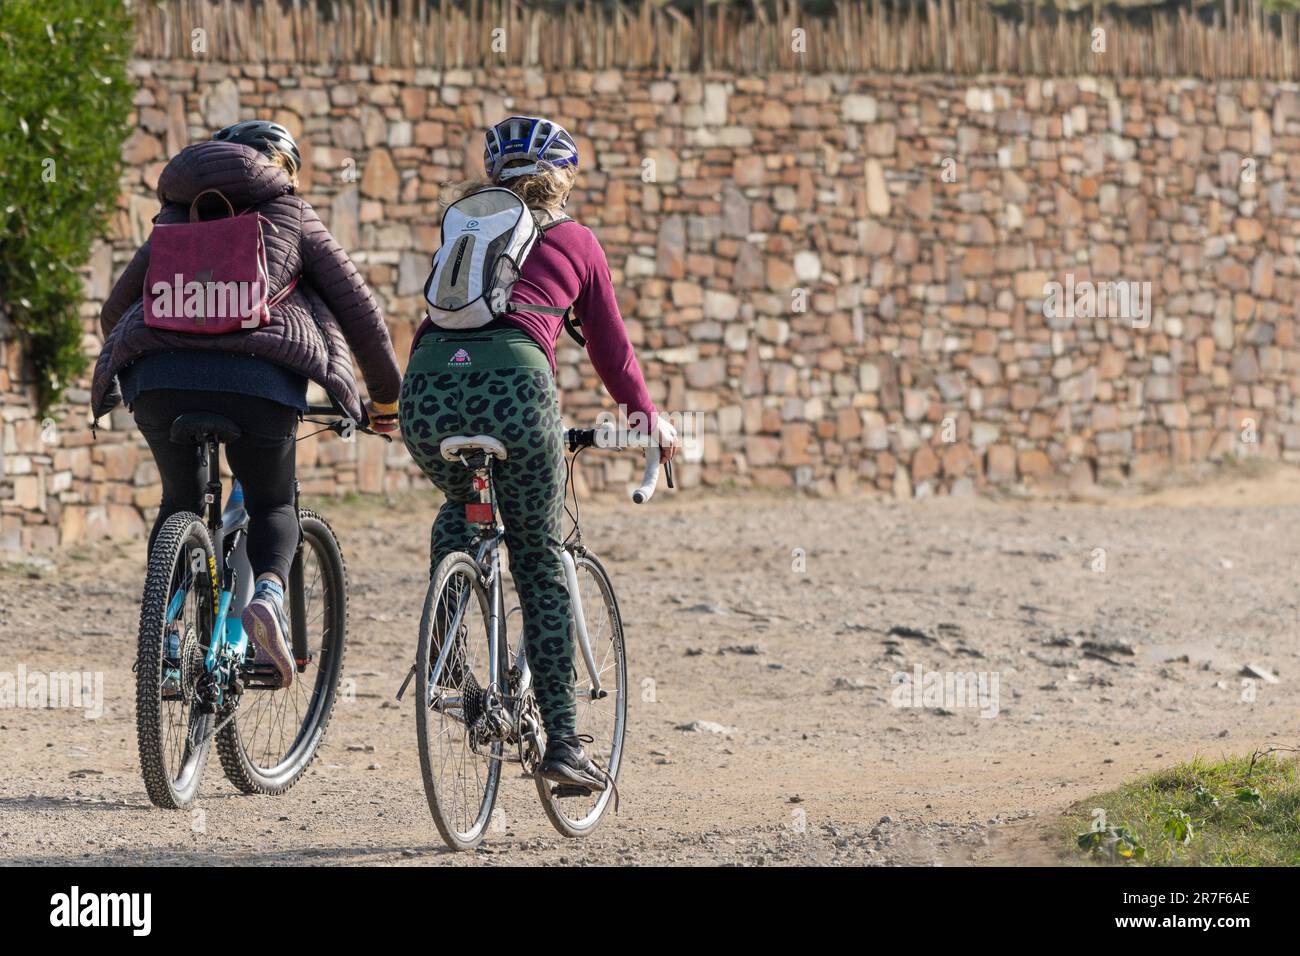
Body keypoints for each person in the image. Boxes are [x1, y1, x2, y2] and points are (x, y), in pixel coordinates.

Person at [401, 115, 679, 791]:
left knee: (459, 506)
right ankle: (561, 743)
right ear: (563, 178)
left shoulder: (464, 230)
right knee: (539, 558)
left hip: (428, 390)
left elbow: (433, 320)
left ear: (494, 179)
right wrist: (648, 420)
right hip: (516, 392)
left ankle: (444, 648)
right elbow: (611, 349)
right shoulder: (575, 240)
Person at [92, 120, 401, 688]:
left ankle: (161, 638)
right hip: (258, 383)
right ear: (282, 169)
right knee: (271, 504)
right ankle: (267, 595)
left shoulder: (176, 213)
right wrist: (384, 398)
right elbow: (360, 312)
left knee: (179, 498)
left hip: (159, 381)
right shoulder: (291, 212)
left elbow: (116, 309)